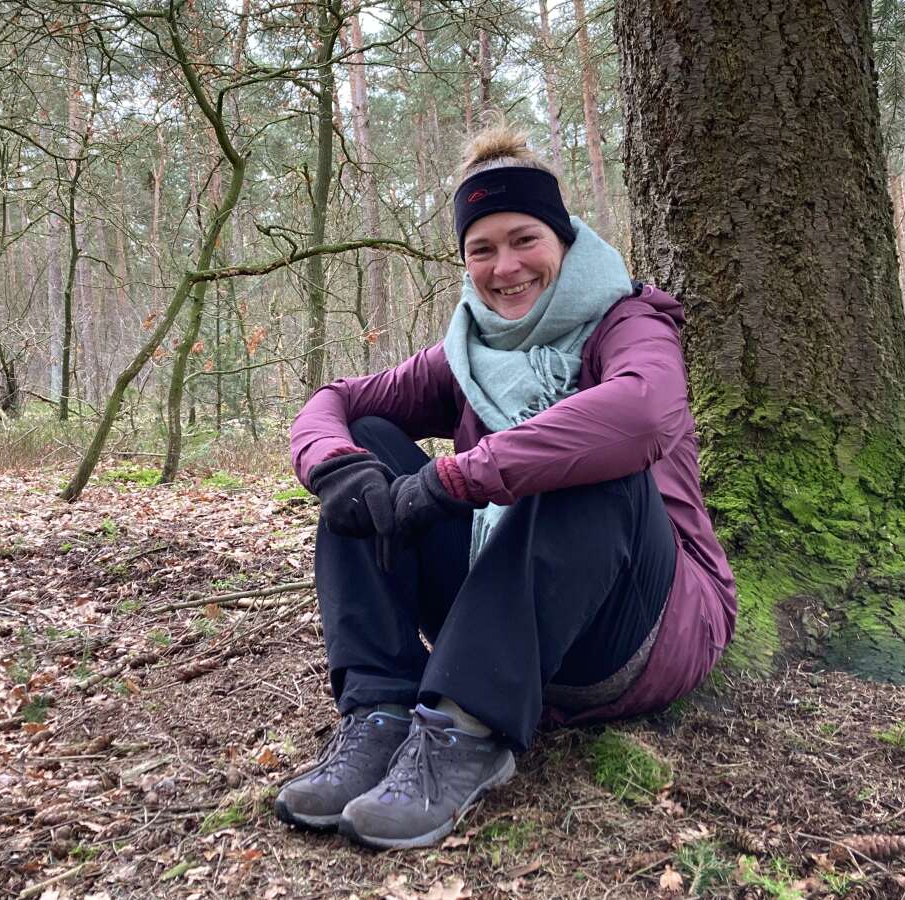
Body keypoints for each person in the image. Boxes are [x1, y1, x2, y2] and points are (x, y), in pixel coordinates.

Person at [275, 124, 737, 851]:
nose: (505, 267)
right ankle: (381, 712)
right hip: (510, 620)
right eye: (481, 250)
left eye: (524, 239)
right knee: (365, 443)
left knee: (593, 453)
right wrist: (331, 464)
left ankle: (465, 729)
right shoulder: (466, 352)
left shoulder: (630, 323)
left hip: (638, 625)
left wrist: (457, 476)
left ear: (563, 239)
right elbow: (332, 400)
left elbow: (642, 413)